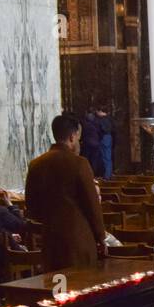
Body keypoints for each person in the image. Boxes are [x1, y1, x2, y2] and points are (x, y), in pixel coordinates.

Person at [24, 113, 106, 272]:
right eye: (79, 137)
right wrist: (100, 237)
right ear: (72, 136)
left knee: (58, 290)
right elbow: (92, 204)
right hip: (78, 241)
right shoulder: (79, 163)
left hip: (50, 242)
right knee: (81, 289)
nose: (79, 142)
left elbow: (31, 207)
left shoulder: (36, 164)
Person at [80, 106, 105, 179]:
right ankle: (94, 175)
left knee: (86, 160)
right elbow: (101, 132)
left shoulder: (84, 124)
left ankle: (87, 175)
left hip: (86, 144)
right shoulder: (97, 123)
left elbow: (82, 134)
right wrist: (98, 140)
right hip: (95, 144)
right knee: (94, 160)